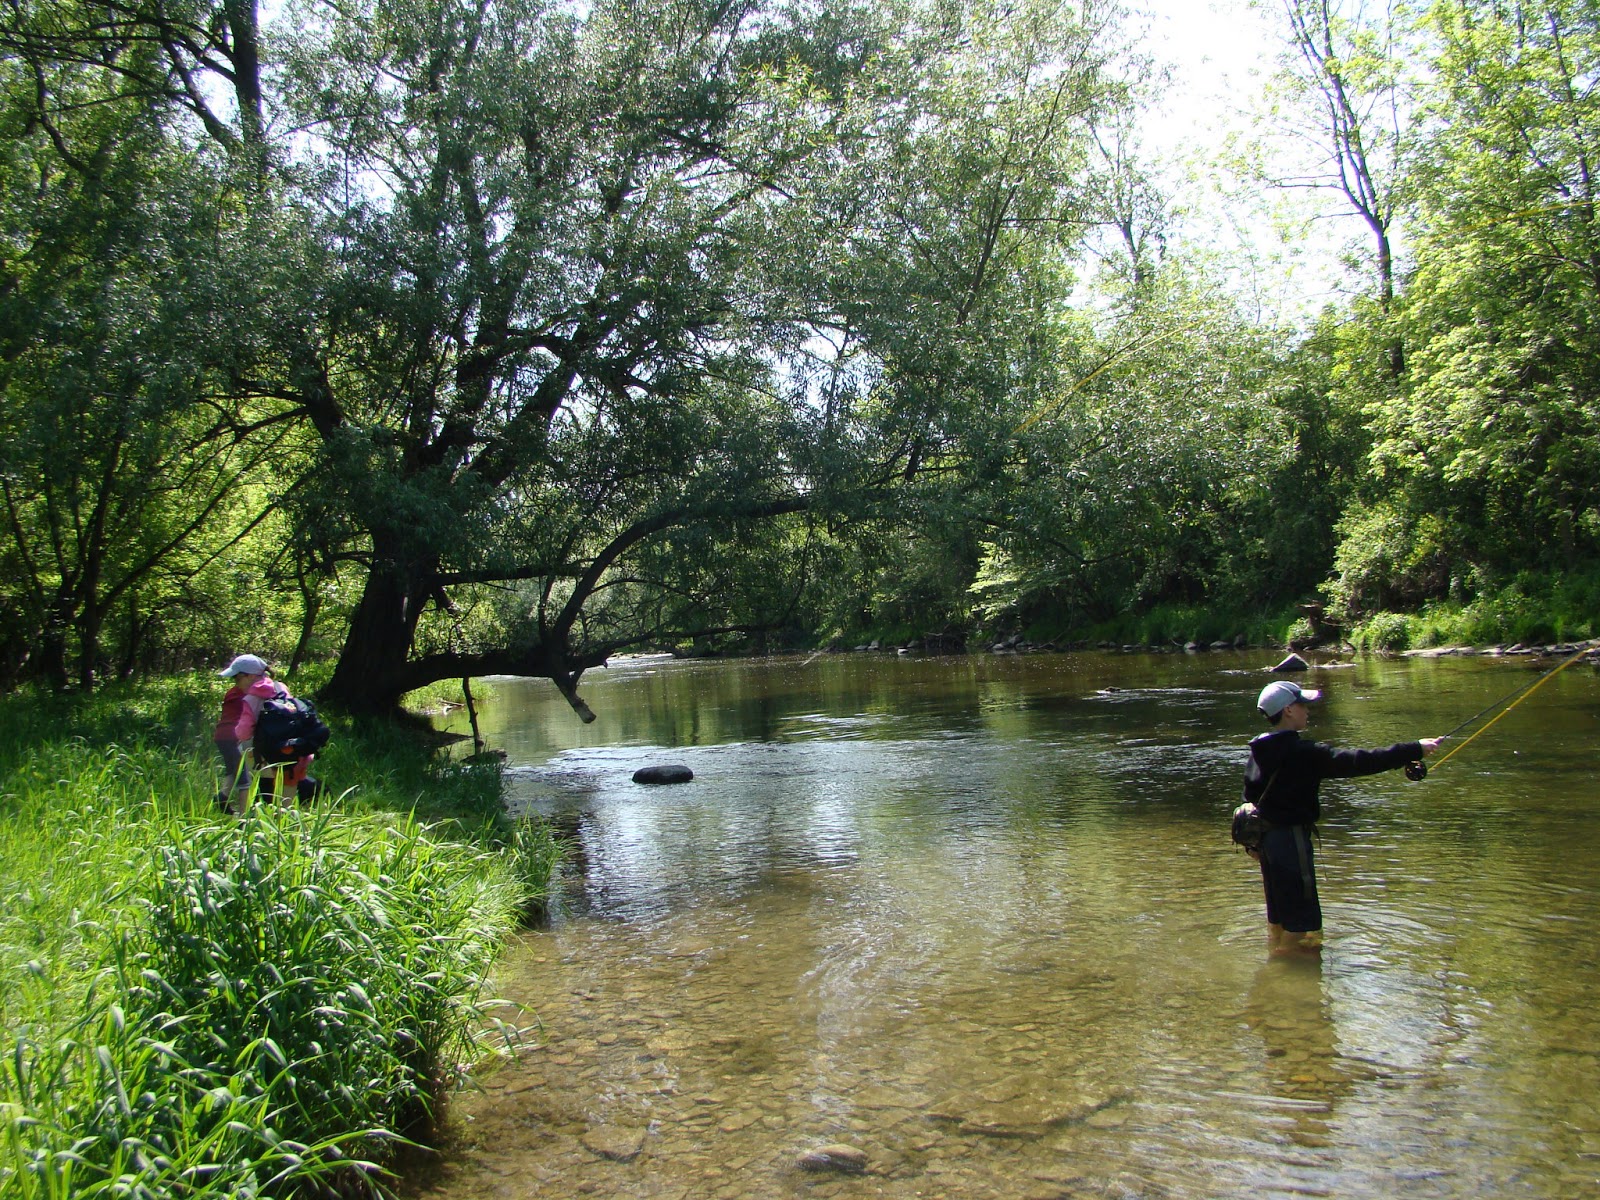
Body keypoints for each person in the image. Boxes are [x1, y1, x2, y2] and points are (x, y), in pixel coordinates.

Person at [1243, 679, 1442, 956]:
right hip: (1292, 842)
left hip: (1266, 845)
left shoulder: (1258, 752)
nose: (1308, 710)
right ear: (1288, 710)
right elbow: (1359, 761)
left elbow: (1249, 801)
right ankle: (1290, 978)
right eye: (1303, 705)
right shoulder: (1304, 753)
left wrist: (1253, 846)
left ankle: (1274, 970)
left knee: (1278, 916)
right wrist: (1414, 749)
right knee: (1302, 923)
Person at [214, 654, 315, 810]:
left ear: (250, 676)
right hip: (292, 751)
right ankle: (284, 825)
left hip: (264, 755)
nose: (236, 684)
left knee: (246, 778)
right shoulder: (281, 687)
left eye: (237, 679)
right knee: (286, 796)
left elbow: (244, 732)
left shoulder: (252, 698)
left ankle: (244, 820)